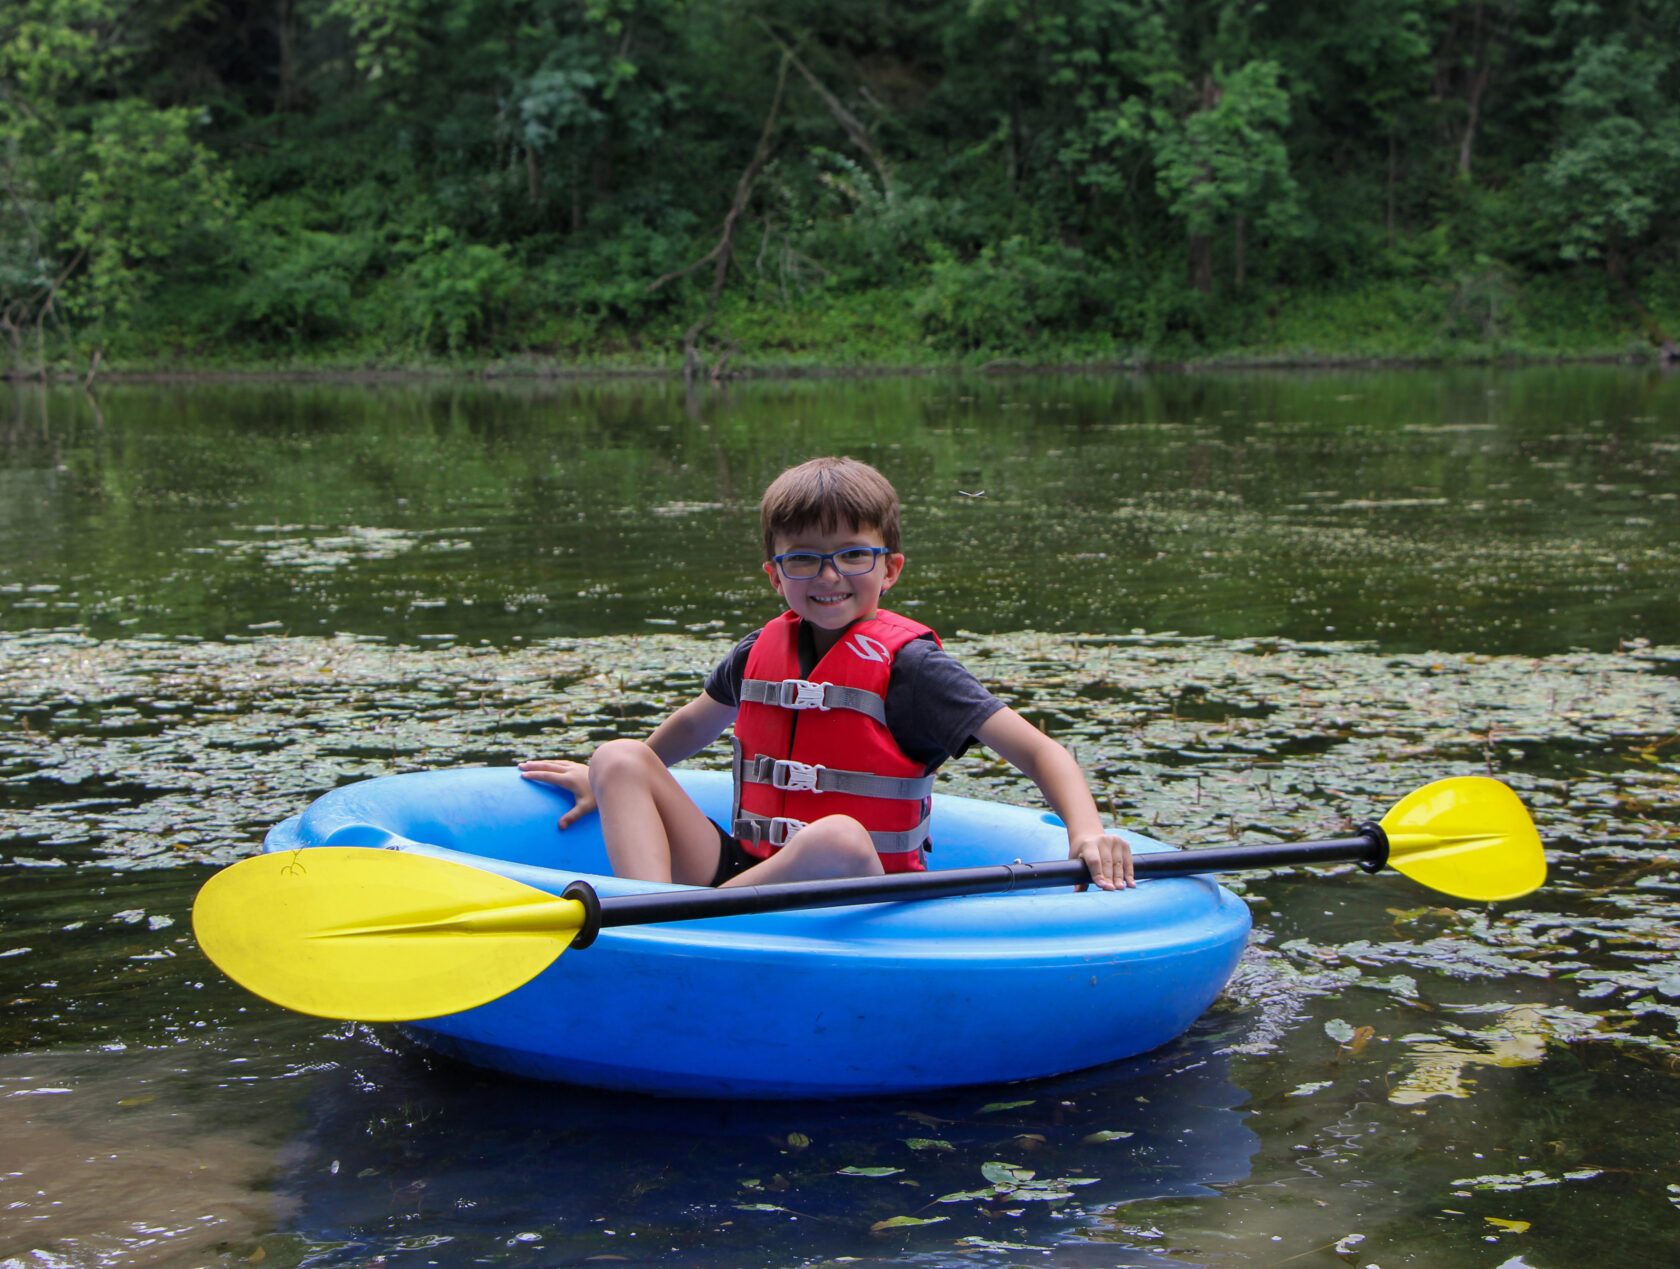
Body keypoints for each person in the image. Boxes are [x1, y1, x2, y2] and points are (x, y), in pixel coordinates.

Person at [518, 456, 1135, 890]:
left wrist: (1086, 833)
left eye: (852, 555)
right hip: (744, 869)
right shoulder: (759, 649)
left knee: (836, 836)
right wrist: (601, 778)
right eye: (805, 559)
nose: (828, 575)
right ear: (775, 574)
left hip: (851, 891)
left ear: (889, 569)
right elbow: (688, 728)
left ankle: (681, 922)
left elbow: (1041, 752)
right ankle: (649, 921)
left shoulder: (913, 668)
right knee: (621, 756)